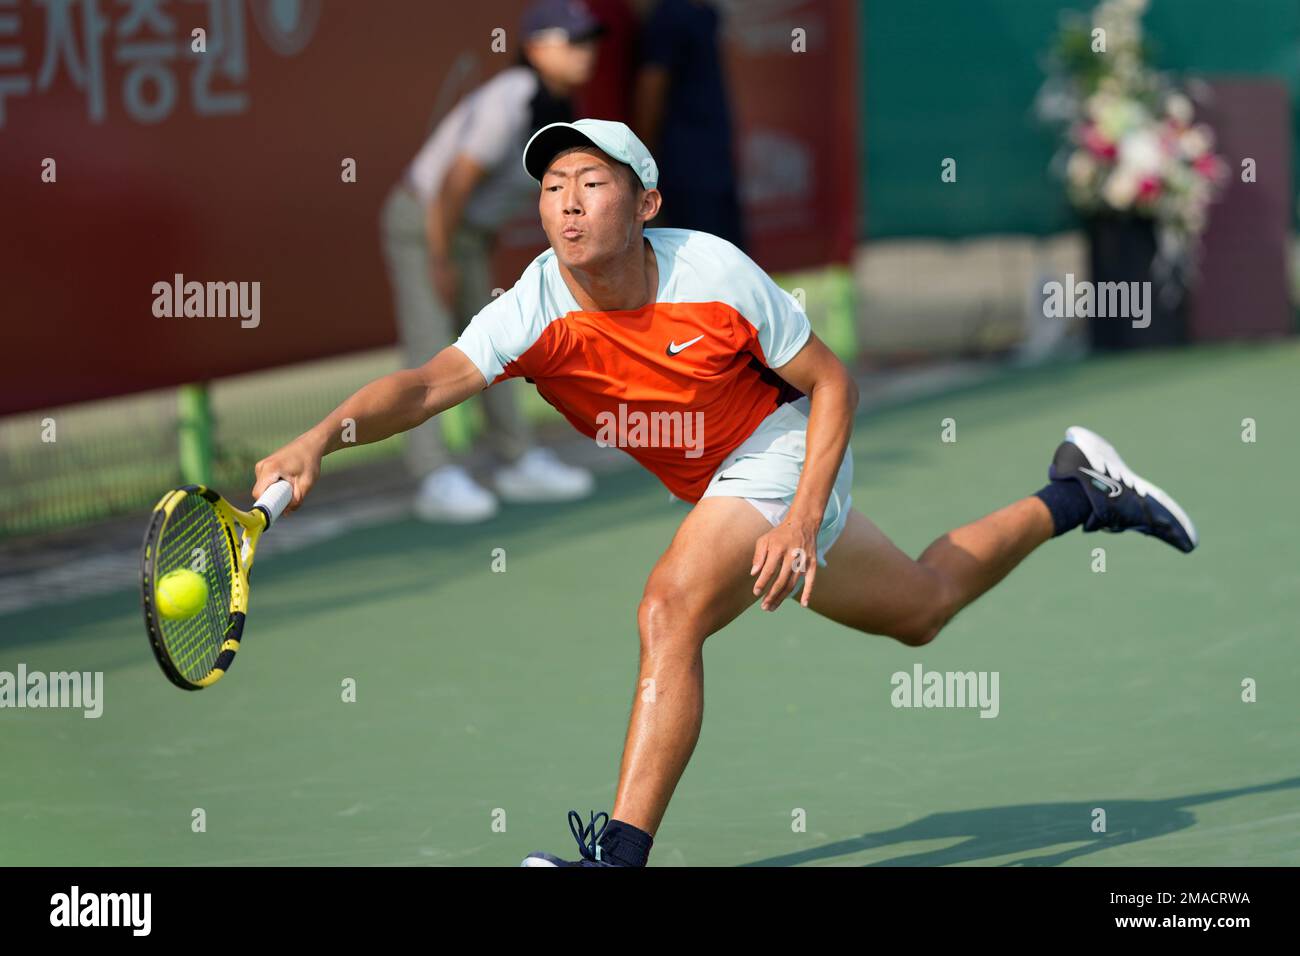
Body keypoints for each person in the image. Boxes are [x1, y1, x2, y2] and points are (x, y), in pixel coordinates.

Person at [256, 119, 1198, 867]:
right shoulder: (532, 305)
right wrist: (317, 439)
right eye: (552, 189)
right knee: (921, 608)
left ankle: (617, 862)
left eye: (592, 184)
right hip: (721, 485)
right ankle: (1080, 492)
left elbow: (834, 384)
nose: (568, 206)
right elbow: (425, 386)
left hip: (783, 451)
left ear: (646, 201)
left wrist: (797, 515)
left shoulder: (714, 274)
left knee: (668, 609)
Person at [381, 0, 602, 522]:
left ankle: (516, 460)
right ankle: (433, 475)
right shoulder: (514, 98)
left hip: (466, 235)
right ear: (534, 49)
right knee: (430, 344)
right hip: (424, 224)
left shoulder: (559, 106)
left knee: (497, 341)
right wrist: (440, 257)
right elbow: (456, 182)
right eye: (571, 41)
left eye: (588, 41)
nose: (585, 52)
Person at [633, 0, 745, 248]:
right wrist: (642, 158)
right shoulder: (669, 17)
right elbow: (652, 86)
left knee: (731, 255)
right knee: (698, 254)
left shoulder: (707, 14)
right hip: (686, 165)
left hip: (716, 161)